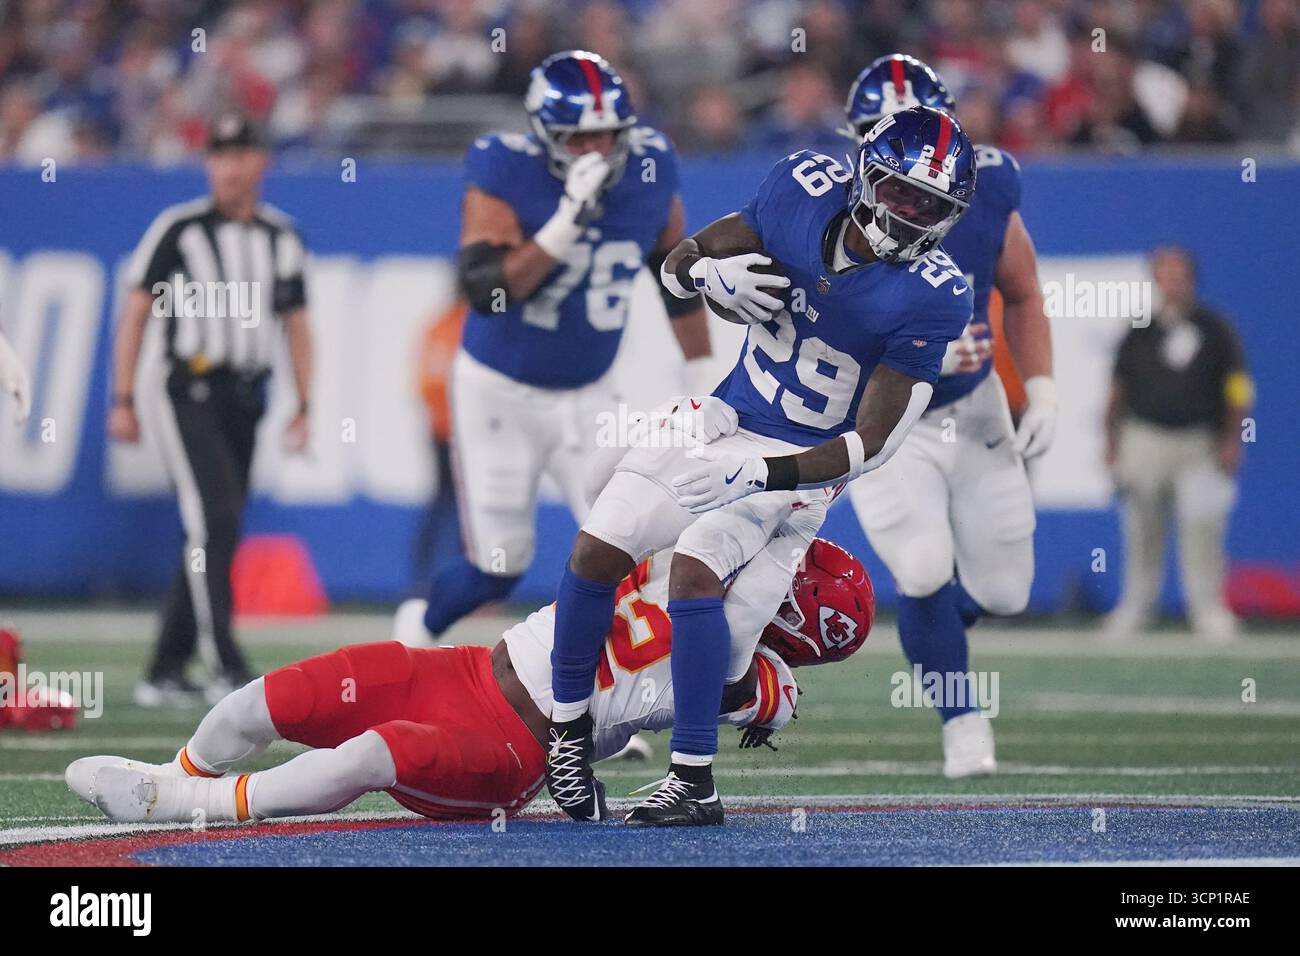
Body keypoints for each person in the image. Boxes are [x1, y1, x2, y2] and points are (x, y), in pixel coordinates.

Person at [545, 105, 976, 826]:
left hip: (801, 465)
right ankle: (567, 734)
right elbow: (678, 261)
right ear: (867, 175)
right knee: (596, 547)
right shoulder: (800, 189)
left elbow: (873, 443)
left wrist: (762, 476)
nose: (912, 213)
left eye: (931, 204)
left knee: (695, 568)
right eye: (901, 192)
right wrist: (708, 277)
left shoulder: (935, 294)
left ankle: (693, 781)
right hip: (724, 417)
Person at [65, 535, 872, 826]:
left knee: (374, 754)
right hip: (464, 667)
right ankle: (174, 778)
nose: (776, 563)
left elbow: (739, 688)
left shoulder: (751, 669)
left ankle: (197, 805)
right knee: (274, 697)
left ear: (796, 617)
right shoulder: (698, 537)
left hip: (511, 746)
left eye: (790, 571)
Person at [393, 50, 713, 646]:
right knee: (499, 563)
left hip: (591, 391)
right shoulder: (502, 166)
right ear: (545, 137)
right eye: (579, 137)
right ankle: (413, 634)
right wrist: (567, 220)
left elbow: (675, 278)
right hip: (499, 391)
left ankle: (596, 706)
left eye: (607, 135)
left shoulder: (651, 165)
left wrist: (702, 377)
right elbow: (486, 291)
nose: (595, 150)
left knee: (628, 541)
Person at [841, 55, 1056, 778]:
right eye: (886, 138)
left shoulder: (988, 185)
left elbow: (1022, 290)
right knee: (924, 565)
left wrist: (1045, 385)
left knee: (1006, 591)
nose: (908, 169)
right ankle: (962, 715)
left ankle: (932, 636)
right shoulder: (826, 210)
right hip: (883, 421)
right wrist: (913, 354)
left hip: (973, 410)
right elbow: (811, 332)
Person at [107, 114, 314, 706]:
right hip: (187, 389)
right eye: (219, 154)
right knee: (216, 521)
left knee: (212, 527)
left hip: (247, 396)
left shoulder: (281, 236)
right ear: (209, 163)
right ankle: (225, 662)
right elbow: (135, 313)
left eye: (240, 152)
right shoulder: (179, 229)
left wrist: (305, 403)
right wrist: (122, 398)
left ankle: (165, 669)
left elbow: (297, 325)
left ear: (261, 161)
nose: (229, 165)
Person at [1103, 246, 1251, 642]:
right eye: (1164, 275)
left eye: (1179, 275)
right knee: (1141, 529)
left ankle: (1208, 609)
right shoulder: (1139, 331)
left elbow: (1237, 389)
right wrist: (1111, 443)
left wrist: (1232, 440)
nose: (1172, 283)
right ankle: (1136, 606)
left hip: (1198, 442)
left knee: (1203, 528)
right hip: (1145, 439)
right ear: (1155, 281)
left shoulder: (1216, 328)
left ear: (1192, 280)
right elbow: (1117, 390)